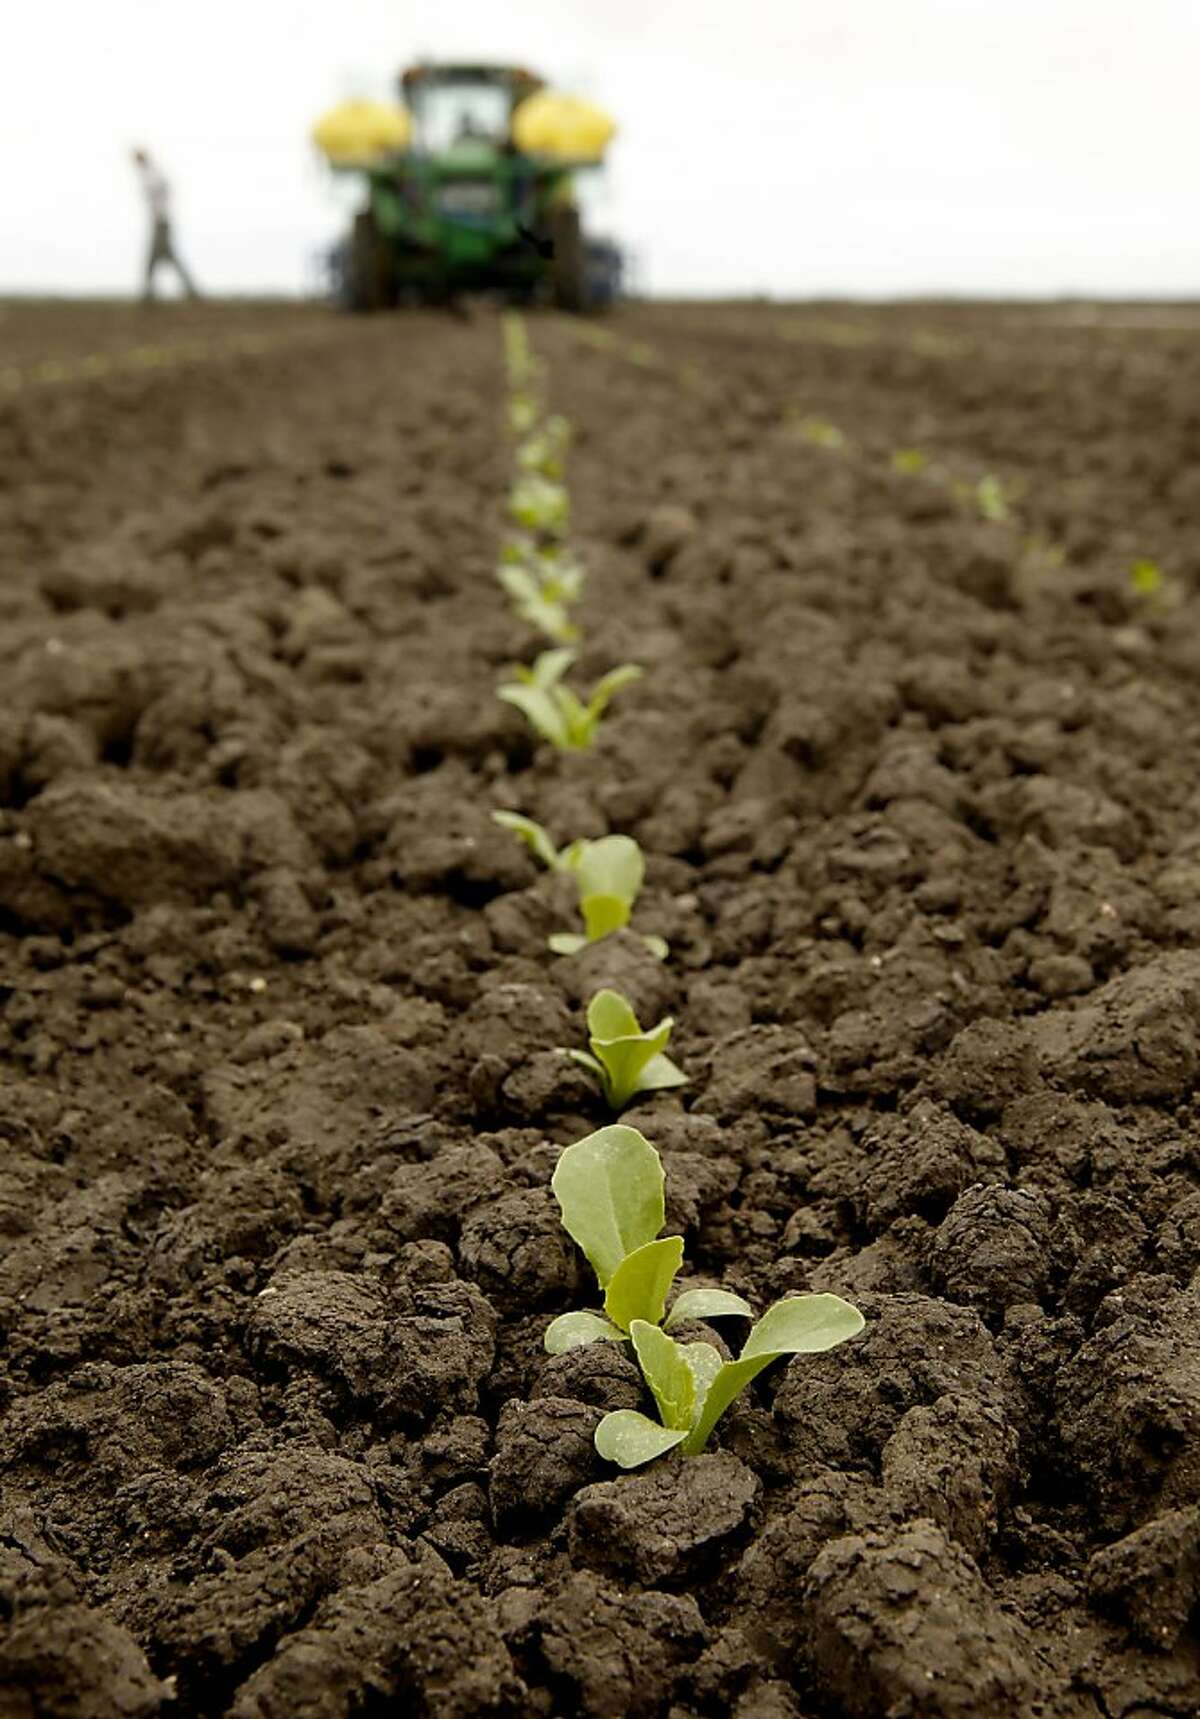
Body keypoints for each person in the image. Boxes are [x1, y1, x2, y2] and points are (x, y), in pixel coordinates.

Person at [131, 148, 200, 303]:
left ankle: (149, 294)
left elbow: (163, 192)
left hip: (161, 222)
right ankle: (151, 293)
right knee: (166, 258)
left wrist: (159, 212)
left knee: (156, 258)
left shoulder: (152, 174)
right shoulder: (150, 174)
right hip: (160, 221)